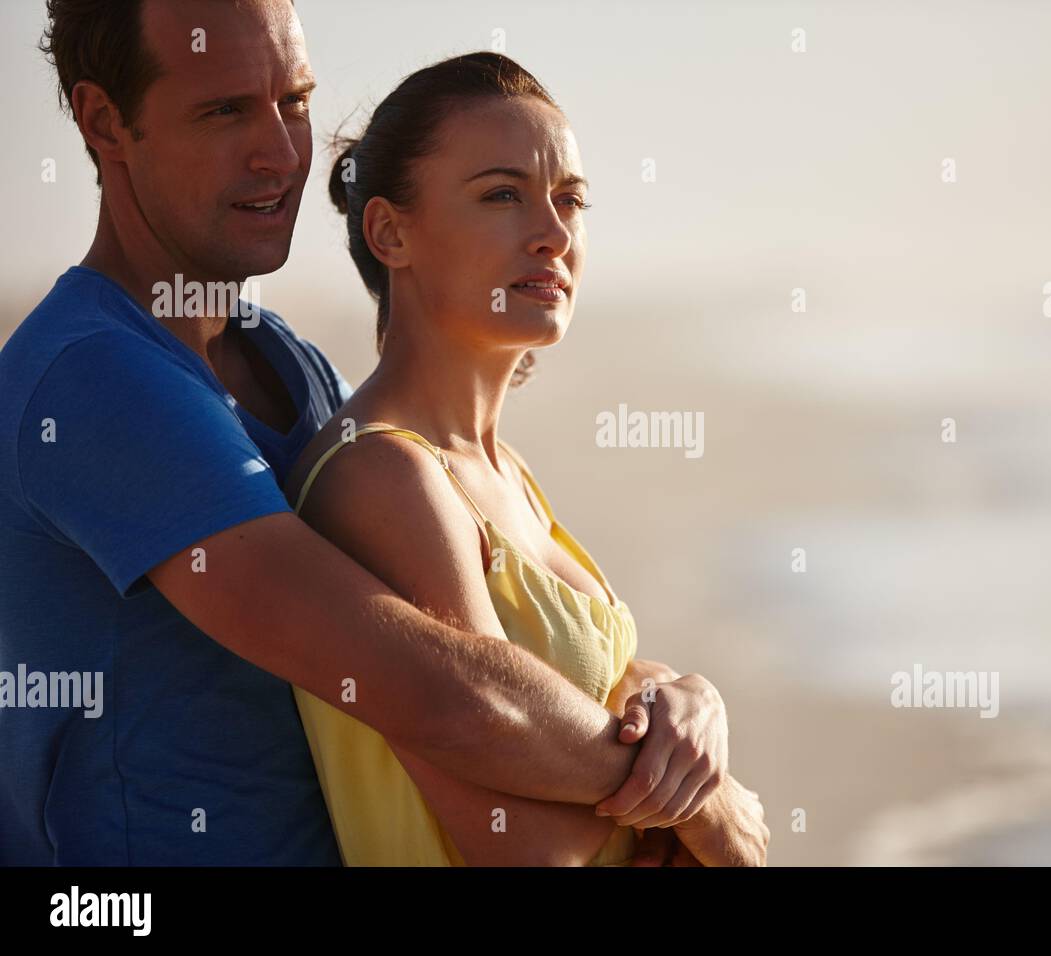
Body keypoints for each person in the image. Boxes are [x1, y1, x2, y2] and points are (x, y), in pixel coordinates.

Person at [0, 0, 760, 866]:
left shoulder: (293, 368)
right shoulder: (95, 378)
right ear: (106, 122)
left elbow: (506, 657)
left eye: (292, 101)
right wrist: (693, 799)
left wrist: (678, 698)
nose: (281, 152)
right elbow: (442, 693)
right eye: (224, 110)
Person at [284, 52, 767, 866]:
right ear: (390, 231)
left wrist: (686, 695)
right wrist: (698, 806)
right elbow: (526, 849)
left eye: (570, 200)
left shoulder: (508, 477)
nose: (553, 233)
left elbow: (587, 693)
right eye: (503, 195)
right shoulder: (384, 477)